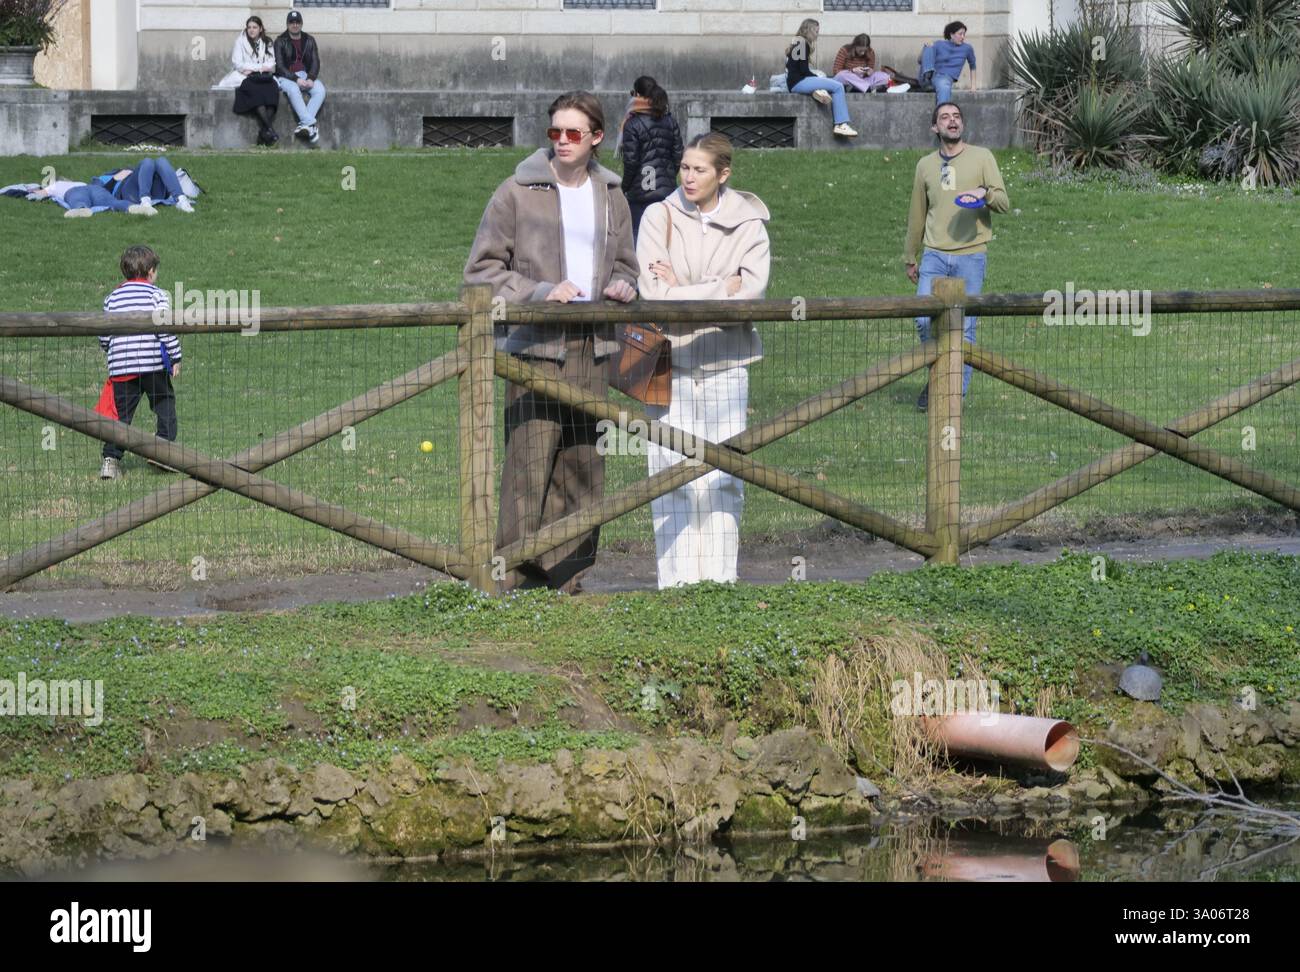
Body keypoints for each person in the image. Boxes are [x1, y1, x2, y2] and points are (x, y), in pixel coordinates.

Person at [463, 91, 637, 593]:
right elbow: (481, 272)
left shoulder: (612, 195)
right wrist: (540, 292)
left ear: (596, 138)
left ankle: (568, 576)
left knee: (584, 464)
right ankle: (512, 579)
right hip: (535, 348)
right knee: (529, 464)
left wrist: (625, 284)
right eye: (554, 132)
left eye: (573, 133)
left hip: (594, 346)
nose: (562, 141)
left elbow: (626, 262)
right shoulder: (515, 192)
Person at [636, 132, 771, 588]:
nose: (688, 177)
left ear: (723, 174)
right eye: (684, 168)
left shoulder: (750, 223)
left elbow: (750, 294)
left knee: (723, 476)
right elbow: (653, 293)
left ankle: (718, 583)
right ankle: (674, 588)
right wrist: (719, 286)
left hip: (726, 366)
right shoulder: (658, 215)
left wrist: (684, 287)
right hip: (666, 366)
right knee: (668, 475)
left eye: (699, 169)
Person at [904, 102, 1009, 409]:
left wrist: (985, 195)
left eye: (957, 117)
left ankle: (952, 396)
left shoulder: (982, 157)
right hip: (934, 255)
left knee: (965, 328)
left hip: (971, 256)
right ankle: (940, 375)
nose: (952, 121)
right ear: (935, 128)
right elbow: (917, 213)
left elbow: (1003, 202)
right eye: (945, 117)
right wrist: (911, 255)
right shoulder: (925, 165)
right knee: (924, 320)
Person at [96, 246, 182, 480]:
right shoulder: (157, 295)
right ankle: (162, 453)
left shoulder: (112, 298)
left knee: (120, 415)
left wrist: (109, 350)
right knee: (164, 403)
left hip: (122, 366)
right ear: (151, 271)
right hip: (153, 365)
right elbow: (164, 328)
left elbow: (104, 334)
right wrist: (175, 356)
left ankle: (110, 461)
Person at [618, 76, 684, 241]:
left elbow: (631, 162)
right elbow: (678, 155)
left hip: (640, 193)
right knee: (664, 238)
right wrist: (668, 176)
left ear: (638, 95)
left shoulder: (632, 124)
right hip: (667, 191)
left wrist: (624, 187)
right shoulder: (670, 120)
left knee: (638, 236)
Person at [785, 18, 858, 138]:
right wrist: (817, 77)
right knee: (838, 86)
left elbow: (798, 69)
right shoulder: (803, 44)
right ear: (810, 30)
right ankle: (841, 124)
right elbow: (804, 71)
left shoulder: (796, 42)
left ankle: (820, 92)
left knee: (830, 82)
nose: (818, 34)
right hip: (799, 82)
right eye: (817, 31)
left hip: (793, 83)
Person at [274, 11, 325, 145]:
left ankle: (305, 126)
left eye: (297, 22)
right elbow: (279, 66)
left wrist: (311, 78)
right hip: (286, 77)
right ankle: (311, 125)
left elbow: (315, 62)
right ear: (287, 24)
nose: (295, 25)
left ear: (301, 24)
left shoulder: (309, 39)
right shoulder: (280, 41)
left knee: (320, 90)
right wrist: (295, 79)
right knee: (293, 89)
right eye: (292, 22)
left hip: (305, 74)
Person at [231, 16, 281, 146]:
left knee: (272, 91)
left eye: (254, 27)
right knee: (256, 93)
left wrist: (254, 67)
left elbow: (271, 63)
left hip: (265, 77)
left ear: (260, 29)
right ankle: (270, 130)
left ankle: (264, 132)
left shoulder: (268, 42)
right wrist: (259, 67)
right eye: (249, 27)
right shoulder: (240, 42)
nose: (251, 30)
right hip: (247, 78)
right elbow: (238, 63)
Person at [93, 157, 195, 213]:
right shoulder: (105, 177)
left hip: (155, 191)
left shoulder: (136, 171)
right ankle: (145, 201)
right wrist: (115, 179)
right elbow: (97, 192)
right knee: (148, 161)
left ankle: (181, 199)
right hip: (129, 193)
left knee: (161, 160)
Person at [27, 179, 155, 217]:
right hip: (94, 188)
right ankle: (132, 207)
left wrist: (33, 192)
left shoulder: (55, 186)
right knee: (112, 202)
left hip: (74, 192)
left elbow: (41, 194)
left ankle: (81, 209)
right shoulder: (80, 182)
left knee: (78, 200)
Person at [921, 21, 977, 105]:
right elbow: (919, 60)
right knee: (929, 46)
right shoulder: (939, 44)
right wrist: (926, 47)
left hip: (944, 78)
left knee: (944, 86)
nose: (963, 37)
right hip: (929, 76)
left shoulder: (967, 48)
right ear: (951, 35)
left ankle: (942, 115)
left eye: (964, 34)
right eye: (960, 34)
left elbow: (973, 66)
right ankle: (927, 76)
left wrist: (973, 86)